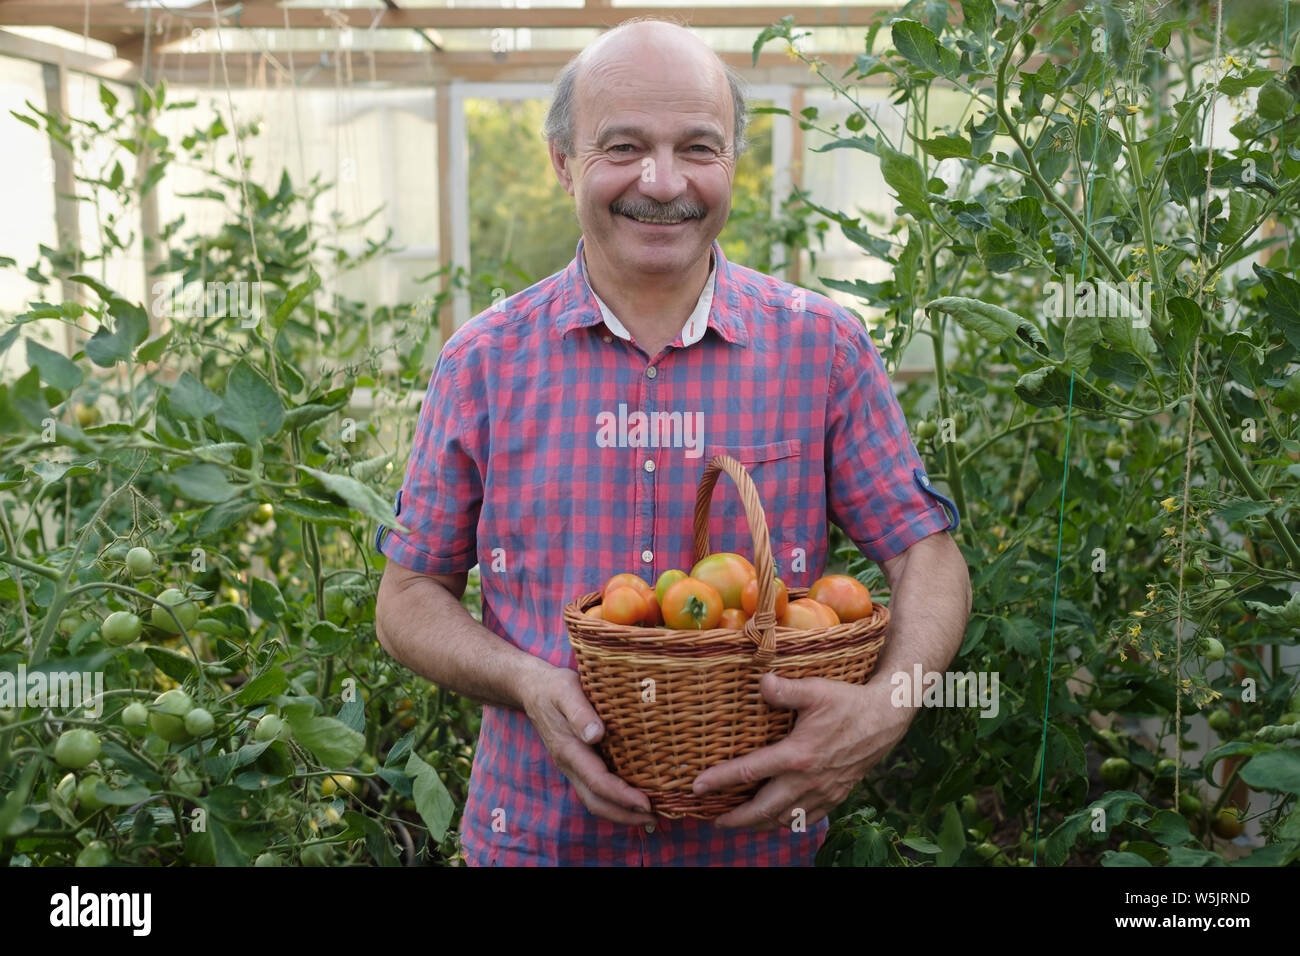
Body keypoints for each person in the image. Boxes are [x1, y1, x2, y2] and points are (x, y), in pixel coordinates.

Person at [374, 17, 972, 866]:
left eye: (698, 147)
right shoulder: (484, 361)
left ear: (732, 163)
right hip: (539, 840)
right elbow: (406, 598)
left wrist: (889, 705)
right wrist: (526, 681)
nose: (662, 181)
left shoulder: (822, 348)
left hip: (755, 848)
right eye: (622, 146)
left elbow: (927, 555)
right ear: (562, 161)